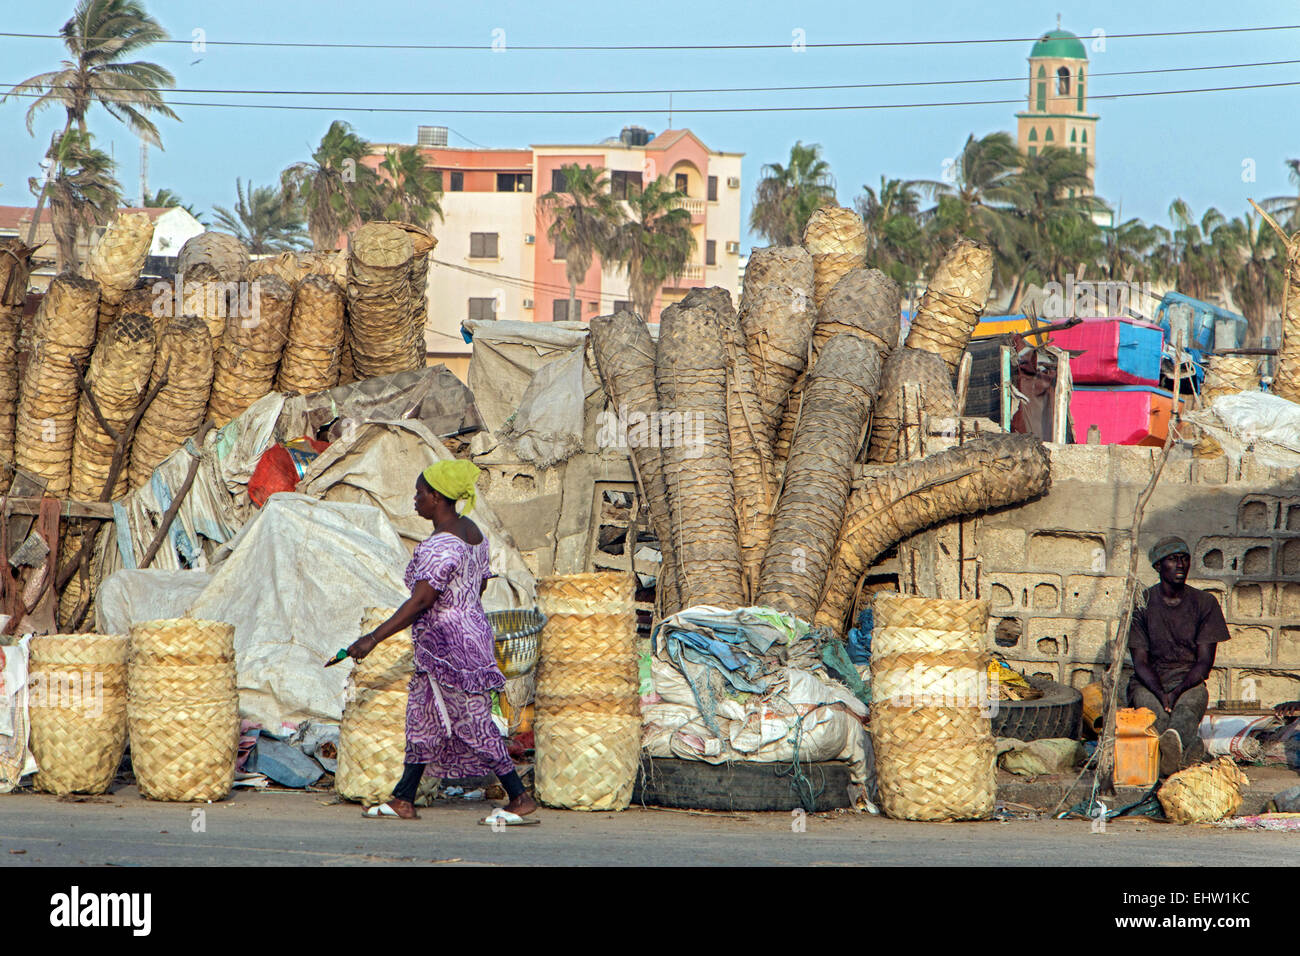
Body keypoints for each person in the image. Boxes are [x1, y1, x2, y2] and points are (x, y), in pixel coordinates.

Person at [347, 459, 537, 823]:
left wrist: (372, 638)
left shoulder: (439, 546)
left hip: (451, 646)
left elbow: (421, 600)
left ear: (437, 497)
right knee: (422, 717)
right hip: (463, 634)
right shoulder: (472, 533)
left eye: (419, 493)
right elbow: (478, 584)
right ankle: (403, 798)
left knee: (473, 721)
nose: (415, 500)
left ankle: (519, 796)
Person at [1127, 535, 1230, 776]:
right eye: (1173, 560)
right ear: (1158, 567)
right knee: (1155, 715)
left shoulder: (1205, 603)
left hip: (1188, 681)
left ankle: (1166, 764)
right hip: (1149, 683)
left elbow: (1204, 663)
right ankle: (1189, 752)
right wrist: (1162, 694)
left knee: (1185, 712)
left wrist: (1176, 692)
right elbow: (1140, 662)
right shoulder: (1143, 603)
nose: (1181, 565)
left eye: (1184, 559)